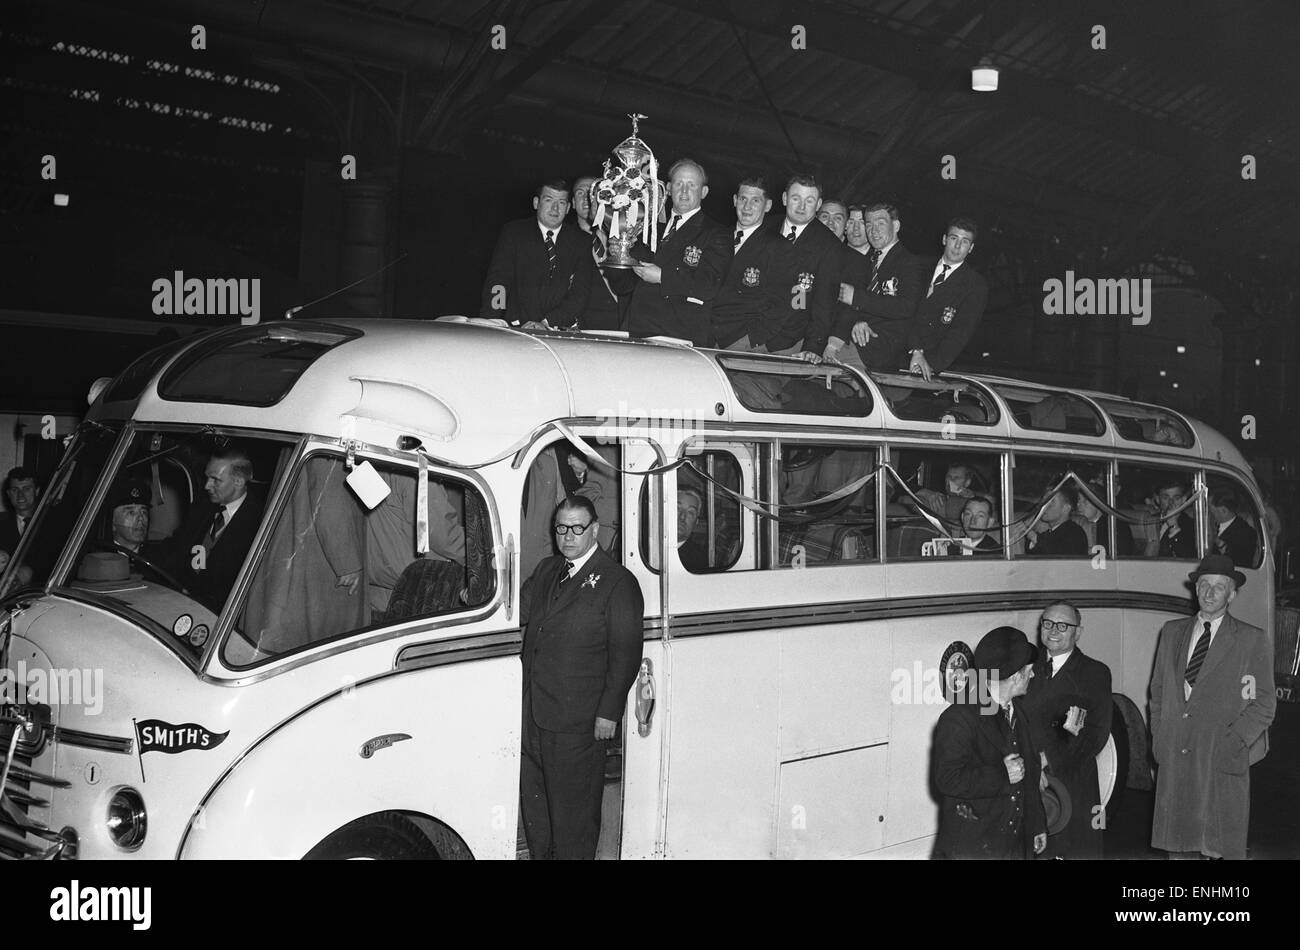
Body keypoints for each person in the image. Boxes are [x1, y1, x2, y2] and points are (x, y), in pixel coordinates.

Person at [519, 496, 645, 859]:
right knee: (538, 814)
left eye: (577, 528)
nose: (568, 536)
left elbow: (626, 653)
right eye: (561, 528)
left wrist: (610, 711)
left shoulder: (617, 581)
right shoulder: (546, 570)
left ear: (595, 530)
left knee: (573, 819)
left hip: (580, 722)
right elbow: (518, 609)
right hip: (535, 714)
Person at [1149, 554, 1276, 859]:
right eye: (1204, 584)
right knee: (1178, 848)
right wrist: (1160, 736)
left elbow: (1264, 703)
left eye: (1219, 587)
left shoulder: (1250, 640)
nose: (1209, 592)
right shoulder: (1172, 632)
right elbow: (1158, 691)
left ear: (1232, 594)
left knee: (1217, 845)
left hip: (1219, 758)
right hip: (1176, 757)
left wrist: (1233, 744)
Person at [932, 625, 1047, 859]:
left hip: (1014, 845)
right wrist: (1002, 774)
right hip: (973, 847)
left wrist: (1036, 825)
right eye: (1029, 671)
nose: (1033, 675)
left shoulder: (1020, 714)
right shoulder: (960, 717)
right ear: (1015, 676)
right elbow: (947, 779)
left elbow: (1031, 773)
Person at [1023, 602, 1112, 858]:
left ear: (1078, 632)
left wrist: (1046, 759)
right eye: (1048, 623)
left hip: (1071, 780)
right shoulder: (1025, 666)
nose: (1053, 631)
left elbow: (1095, 734)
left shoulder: (1095, 673)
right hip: (1029, 777)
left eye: (1063, 626)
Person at [625, 158, 732, 346]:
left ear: (704, 192)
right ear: (668, 188)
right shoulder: (649, 229)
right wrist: (620, 250)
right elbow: (623, 285)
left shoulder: (716, 233)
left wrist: (663, 277)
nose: (684, 191)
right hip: (637, 329)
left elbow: (708, 285)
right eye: (679, 184)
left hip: (678, 334)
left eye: (692, 185)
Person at [480, 179, 592, 329]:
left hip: (559, 329)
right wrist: (491, 319)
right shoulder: (514, 233)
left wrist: (547, 323)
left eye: (561, 203)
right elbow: (498, 284)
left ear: (568, 208)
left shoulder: (582, 241)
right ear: (536, 203)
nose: (555, 209)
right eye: (548, 200)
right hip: (517, 328)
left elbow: (580, 294)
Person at [751, 173, 842, 358]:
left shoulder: (829, 245)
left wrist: (812, 348)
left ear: (818, 205)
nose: (801, 206)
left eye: (809, 201)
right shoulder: (762, 226)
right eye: (795, 198)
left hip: (786, 340)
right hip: (745, 329)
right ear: (784, 199)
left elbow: (824, 304)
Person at [827, 202, 923, 371]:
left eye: (880, 223)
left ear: (896, 226)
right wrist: (857, 319)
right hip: (854, 339)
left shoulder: (908, 263)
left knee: (811, 357)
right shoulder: (867, 259)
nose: (873, 230)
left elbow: (907, 307)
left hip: (878, 348)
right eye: (869, 224)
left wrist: (856, 297)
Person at [173, 444, 266, 613]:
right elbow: (181, 549)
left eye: (215, 479)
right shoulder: (202, 507)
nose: (207, 486)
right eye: (207, 477)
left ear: (238, 481)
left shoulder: (260, 523)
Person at [906, 217, 988, 381]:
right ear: (944, 239)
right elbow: (904, 310)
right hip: (900, 348)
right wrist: (915, 349)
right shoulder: (917, 266)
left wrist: (929, 367)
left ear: (971, 248)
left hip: (927, 367)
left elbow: (960, 334)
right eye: (953, 238)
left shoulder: (975, 285)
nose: (957, 246)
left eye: (964, 242)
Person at [714, 176, 780, 350]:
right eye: (743, 199)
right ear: (735, 200)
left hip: (741, 340)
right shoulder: (716, 237)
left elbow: (790, 300)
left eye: (756, 200)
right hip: (704, 331)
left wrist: (755, 337)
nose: (747, 207)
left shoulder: (779, 247)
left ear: (768, 205)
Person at [1026, 486, 1088, 556]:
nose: (1044, 506)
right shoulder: (1048, 533)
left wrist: (1034, 537)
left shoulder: (1075, 533)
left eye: (1052, 502)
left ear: (1066, 508)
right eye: (1044, 501)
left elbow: (1060, 558)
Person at [1210, 489, 1258, 568]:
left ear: (1224, 511)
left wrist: (1217, 541)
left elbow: (1238, 561)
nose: (1210, 514)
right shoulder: (1212, 525)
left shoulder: (1246, 533)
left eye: (1213, 511)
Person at [0, 466, 39, 558]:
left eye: (26, 489)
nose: (20, 495)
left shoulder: (53, 524)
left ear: (36, 491)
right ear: (9, 494)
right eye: (15, 490)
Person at [1155, 480, 1197, 559]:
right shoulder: (1148, 520)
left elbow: (1188, 558)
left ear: (1183, 500)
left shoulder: (1192, 525)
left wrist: (1174, 527)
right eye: (1165, 497)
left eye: (1176, 498)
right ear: (1157, 499)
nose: (1171, 502)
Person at [676, 485, 710, 571]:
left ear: (696, 523)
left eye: (690, 512)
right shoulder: (646, 546)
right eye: (677, 508)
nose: (682, 517)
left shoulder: (699, 561)